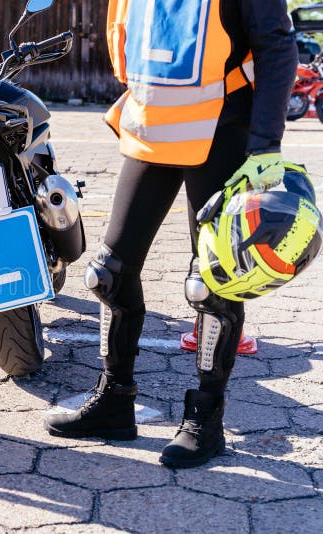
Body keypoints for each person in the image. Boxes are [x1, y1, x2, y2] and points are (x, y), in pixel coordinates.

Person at [45, 0, 298, 467]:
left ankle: (206, 420)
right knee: (109, 275)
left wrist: (267, 143)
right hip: (153, 131)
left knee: (211, 286)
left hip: (223, 129)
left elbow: (277, 46)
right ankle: (114, 402)